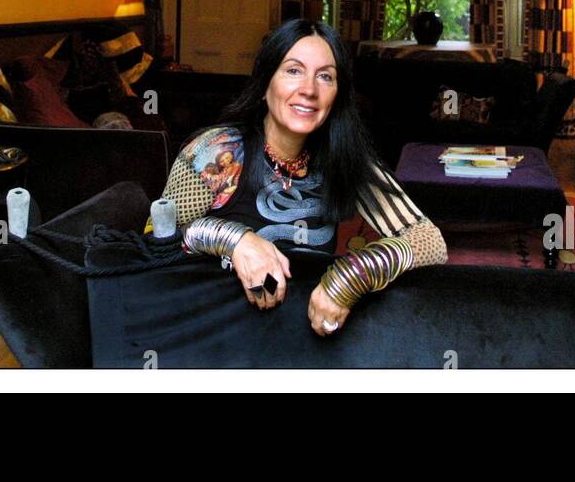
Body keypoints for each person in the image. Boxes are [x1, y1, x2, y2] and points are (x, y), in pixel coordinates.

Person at [156, 18, 448, 337]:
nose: (309, 90)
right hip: (215, 338)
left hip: (307, 341)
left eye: (325, 76)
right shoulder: (218, 152)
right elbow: (155, 242)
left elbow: (430, 243)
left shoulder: (347, 160)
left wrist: (354, 275)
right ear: (266, 83)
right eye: (293, 70)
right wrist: (232, 239)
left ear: (337, 95)